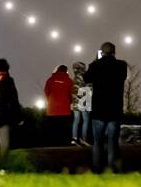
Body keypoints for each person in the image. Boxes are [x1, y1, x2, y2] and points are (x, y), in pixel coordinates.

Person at [84, 42, 128, 173]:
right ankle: (112, 169)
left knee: (97, 142)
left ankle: (97, 169)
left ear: (101, 52)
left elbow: (86, 78)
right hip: (114, 110)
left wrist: (95, 60)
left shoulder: (95, 65)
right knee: (112, 142)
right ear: (114, 52)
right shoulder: (121, 65)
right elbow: (123, 77)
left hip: (98, 110)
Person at [43, 64, 75, 145]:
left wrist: (50, 101)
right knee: (64, 132)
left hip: (52, 111)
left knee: (53, 132)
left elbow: (46, 92)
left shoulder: (50, 80)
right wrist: (69, 102)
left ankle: (53, 147)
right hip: (65, 111)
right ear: (66, 71)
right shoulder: (69, 81)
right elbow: (72, 95)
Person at [70, 61, 92, 146]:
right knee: (86, 120)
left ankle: (74, 138)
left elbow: (74, 89)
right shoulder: (84, 76)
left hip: (75, 100)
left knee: (76, 120)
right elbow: (89, 87)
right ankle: (83, 139)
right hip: (83, 98)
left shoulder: (75, 77)